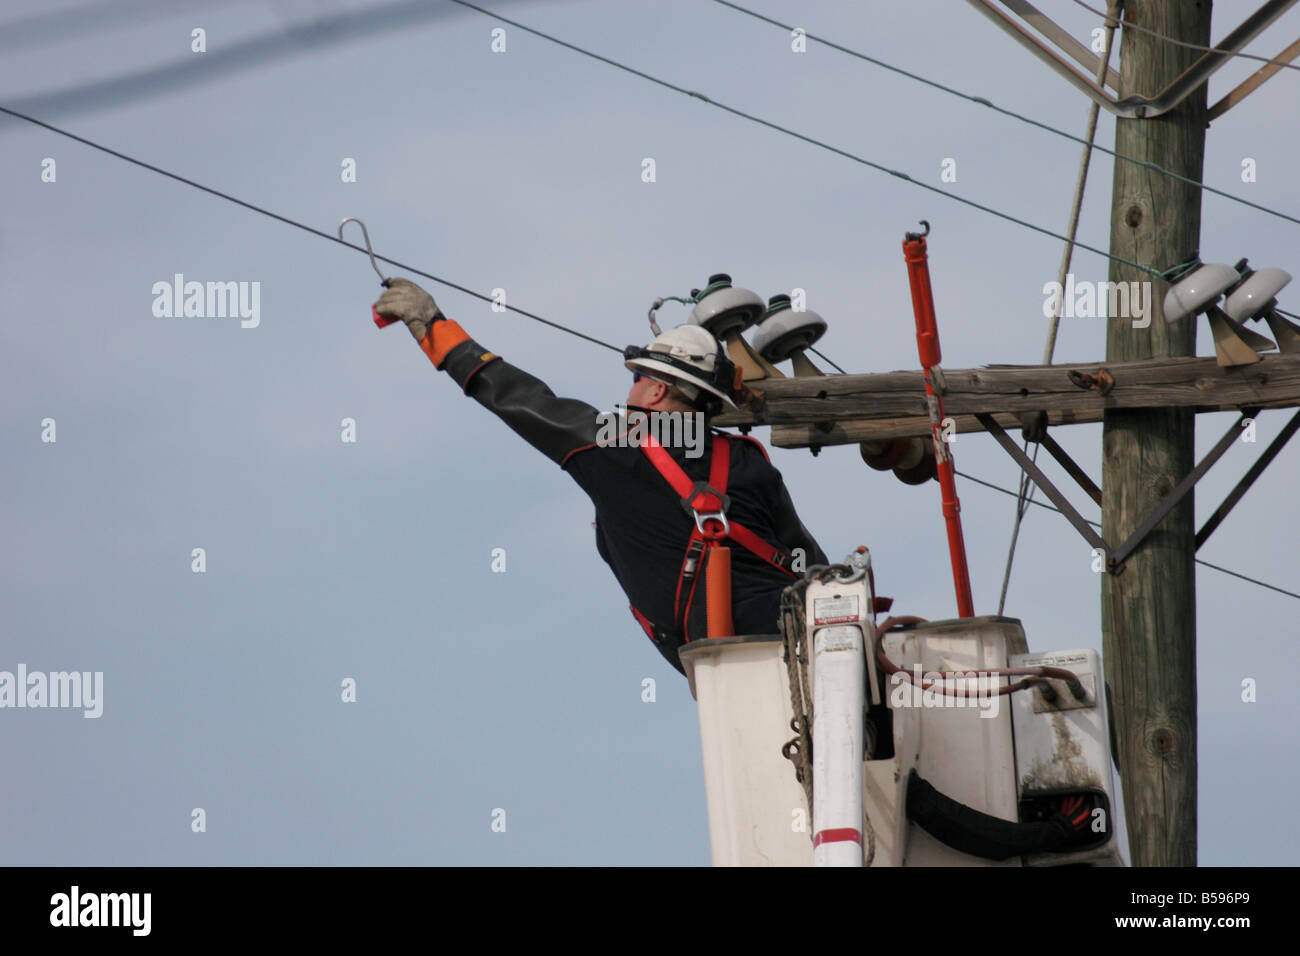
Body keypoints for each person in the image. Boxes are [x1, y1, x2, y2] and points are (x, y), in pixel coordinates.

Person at [373, 278, 828, 675]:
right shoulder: (748, 457)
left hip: (737, 657)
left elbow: (519, 397)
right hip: (805, 630)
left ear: (656, 389)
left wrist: (434, 328)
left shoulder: (617, 443)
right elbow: (808, 559)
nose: (627, 391)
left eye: (637, 379)